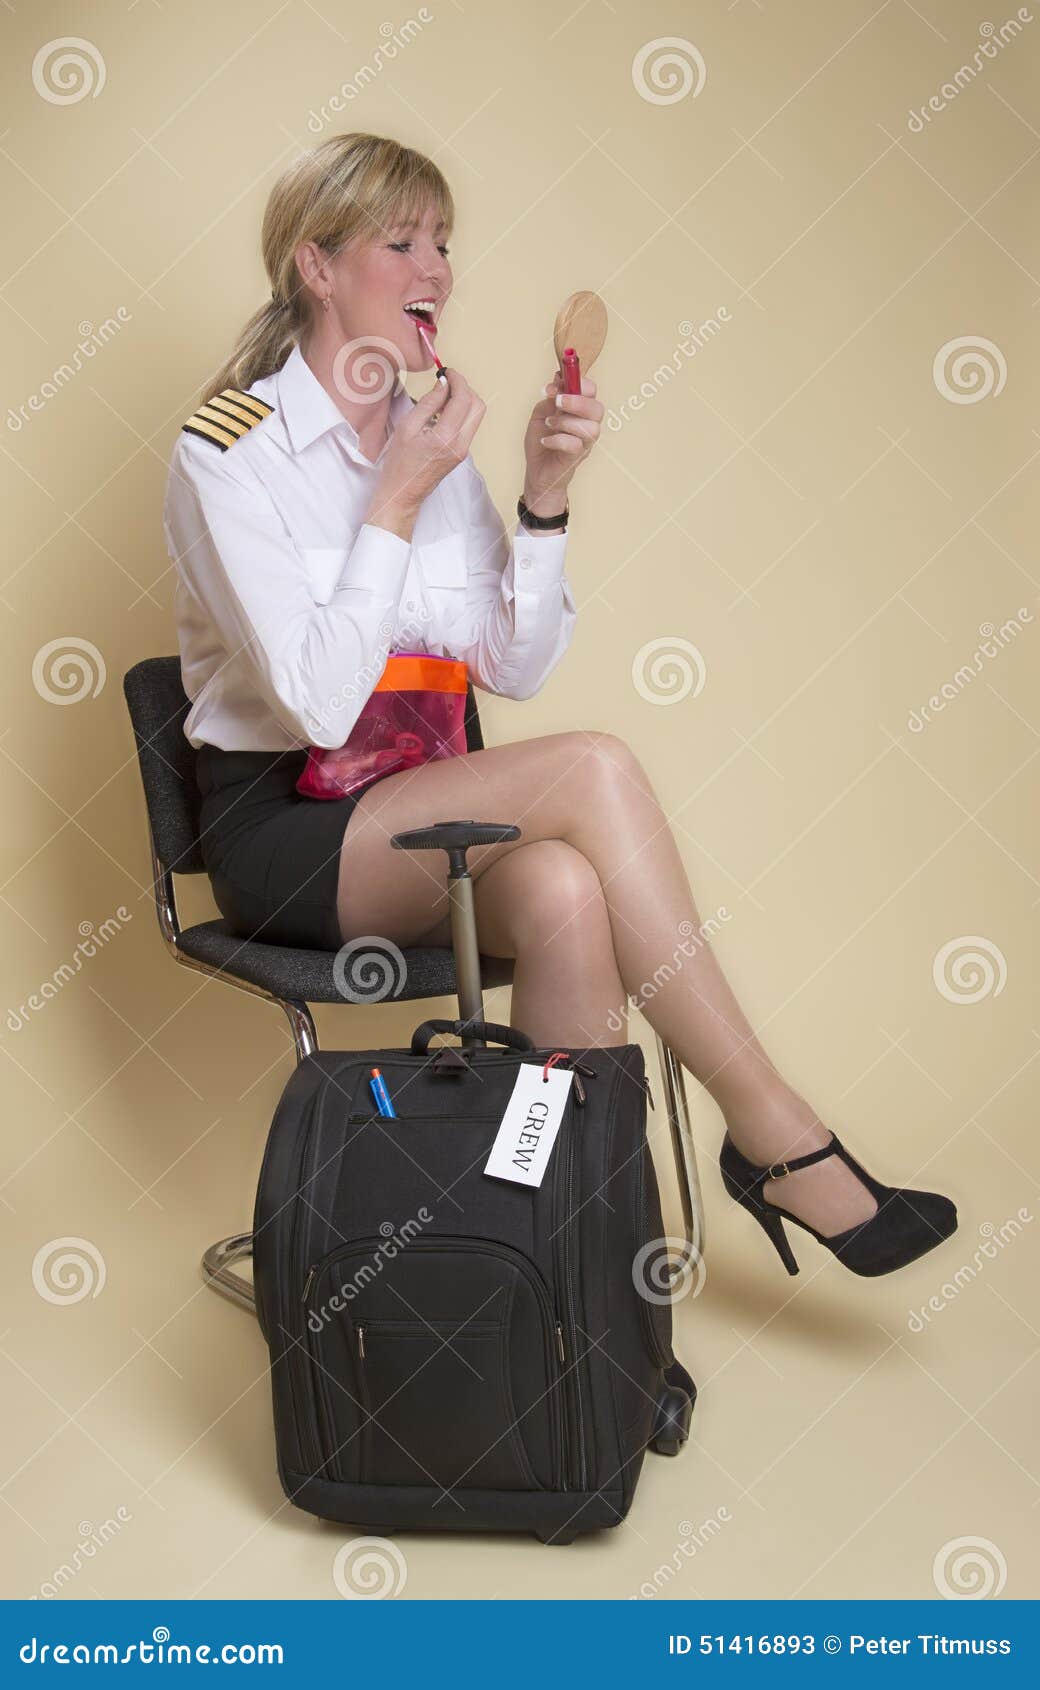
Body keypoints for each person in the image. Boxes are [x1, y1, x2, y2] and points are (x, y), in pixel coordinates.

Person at [164, 132, 957, 1279]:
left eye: (445, 242)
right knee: (589, 768)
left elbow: (509, 663)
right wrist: (391, 498)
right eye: (401, 242)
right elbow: (321, 705)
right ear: (315, 267)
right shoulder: (230, 453)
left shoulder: (425, 430)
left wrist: (541, 497)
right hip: (290, 832)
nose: (435, 267)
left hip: (422, 810)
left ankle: (565, 1271)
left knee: (564, 886)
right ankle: (773, 1130)